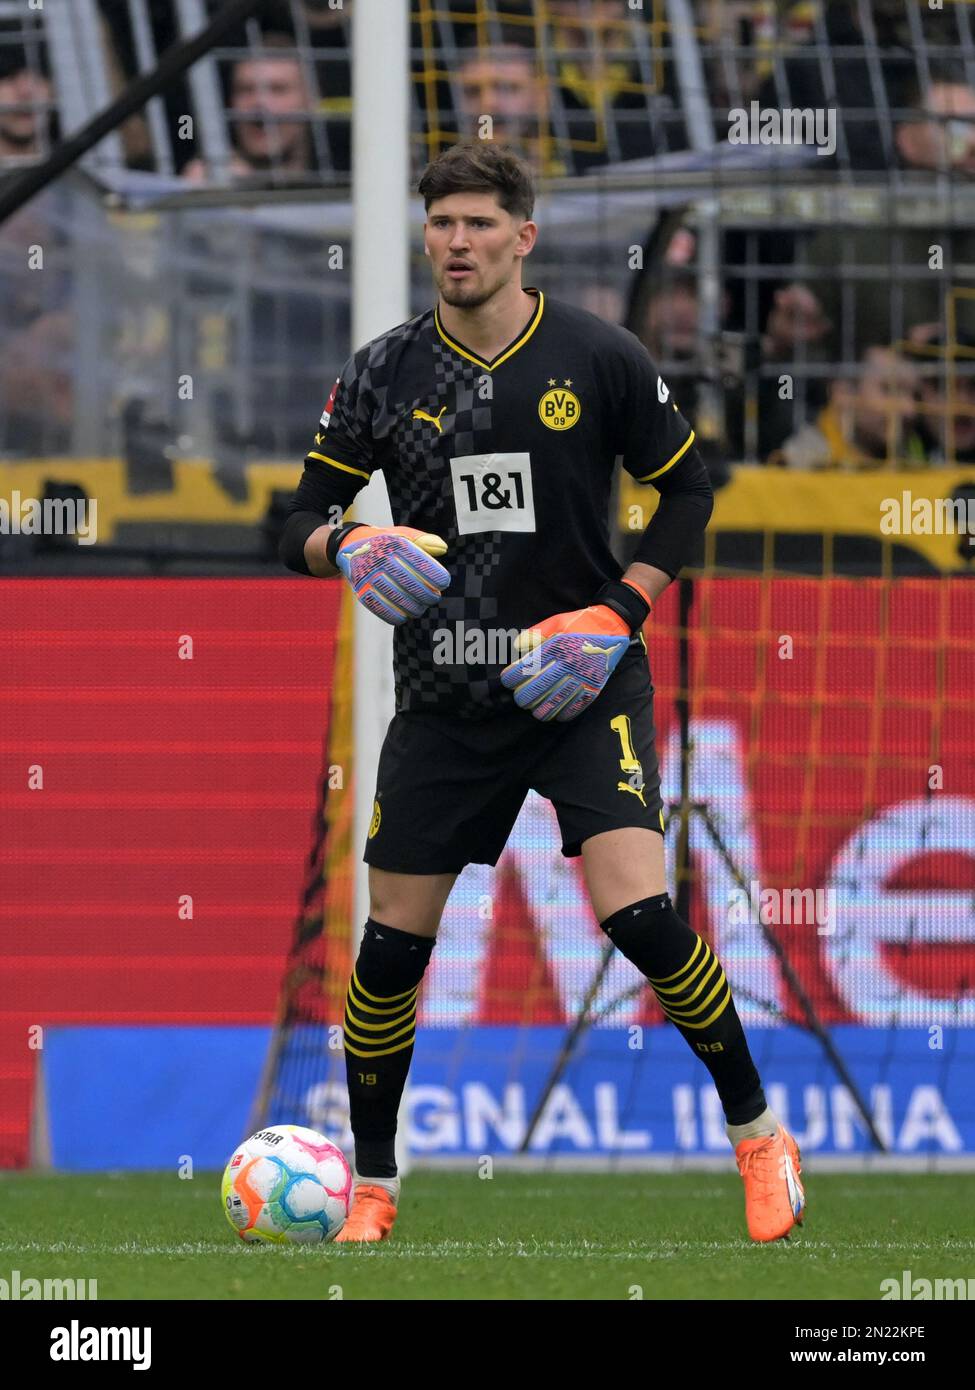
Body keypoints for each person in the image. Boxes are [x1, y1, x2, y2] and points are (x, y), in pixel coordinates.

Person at [279, 141, 805, 1245]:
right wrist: (346, 544)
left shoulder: (596, 356)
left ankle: (759, 1137)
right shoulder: (383, 372)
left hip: (582, 685)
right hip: (445, 696)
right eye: (441, 222)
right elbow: (290, 522)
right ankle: (372, 1184)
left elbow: (687, 493)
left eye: (479, 223)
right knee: (390, 950)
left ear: (523, 237)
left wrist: (619, 613)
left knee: (641, 915)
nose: (456, 242)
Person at [182, 35, 317, 181]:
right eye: (245, 90)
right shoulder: (206, 179)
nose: (260, 103)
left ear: (311, 100)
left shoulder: (333, 170)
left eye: (277, 89)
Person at [774, 345, 925, 469]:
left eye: (915, 395)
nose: (910, 409)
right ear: (843, 392)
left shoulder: (911, 459)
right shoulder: (800, 465)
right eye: (890, 390)